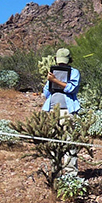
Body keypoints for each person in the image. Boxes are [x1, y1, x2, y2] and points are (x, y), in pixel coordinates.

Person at [42, 48, 81, 176]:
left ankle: (71, 173)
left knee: (69, 141)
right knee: (54, 141)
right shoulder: (52, 73)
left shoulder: (74, 72)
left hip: (67, 111)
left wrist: (56, 81)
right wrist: (50, 81)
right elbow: (46, 93)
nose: (62, 65)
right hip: (53, 110)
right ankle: (55, 171)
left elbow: (72, 88)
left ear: (69, 60)